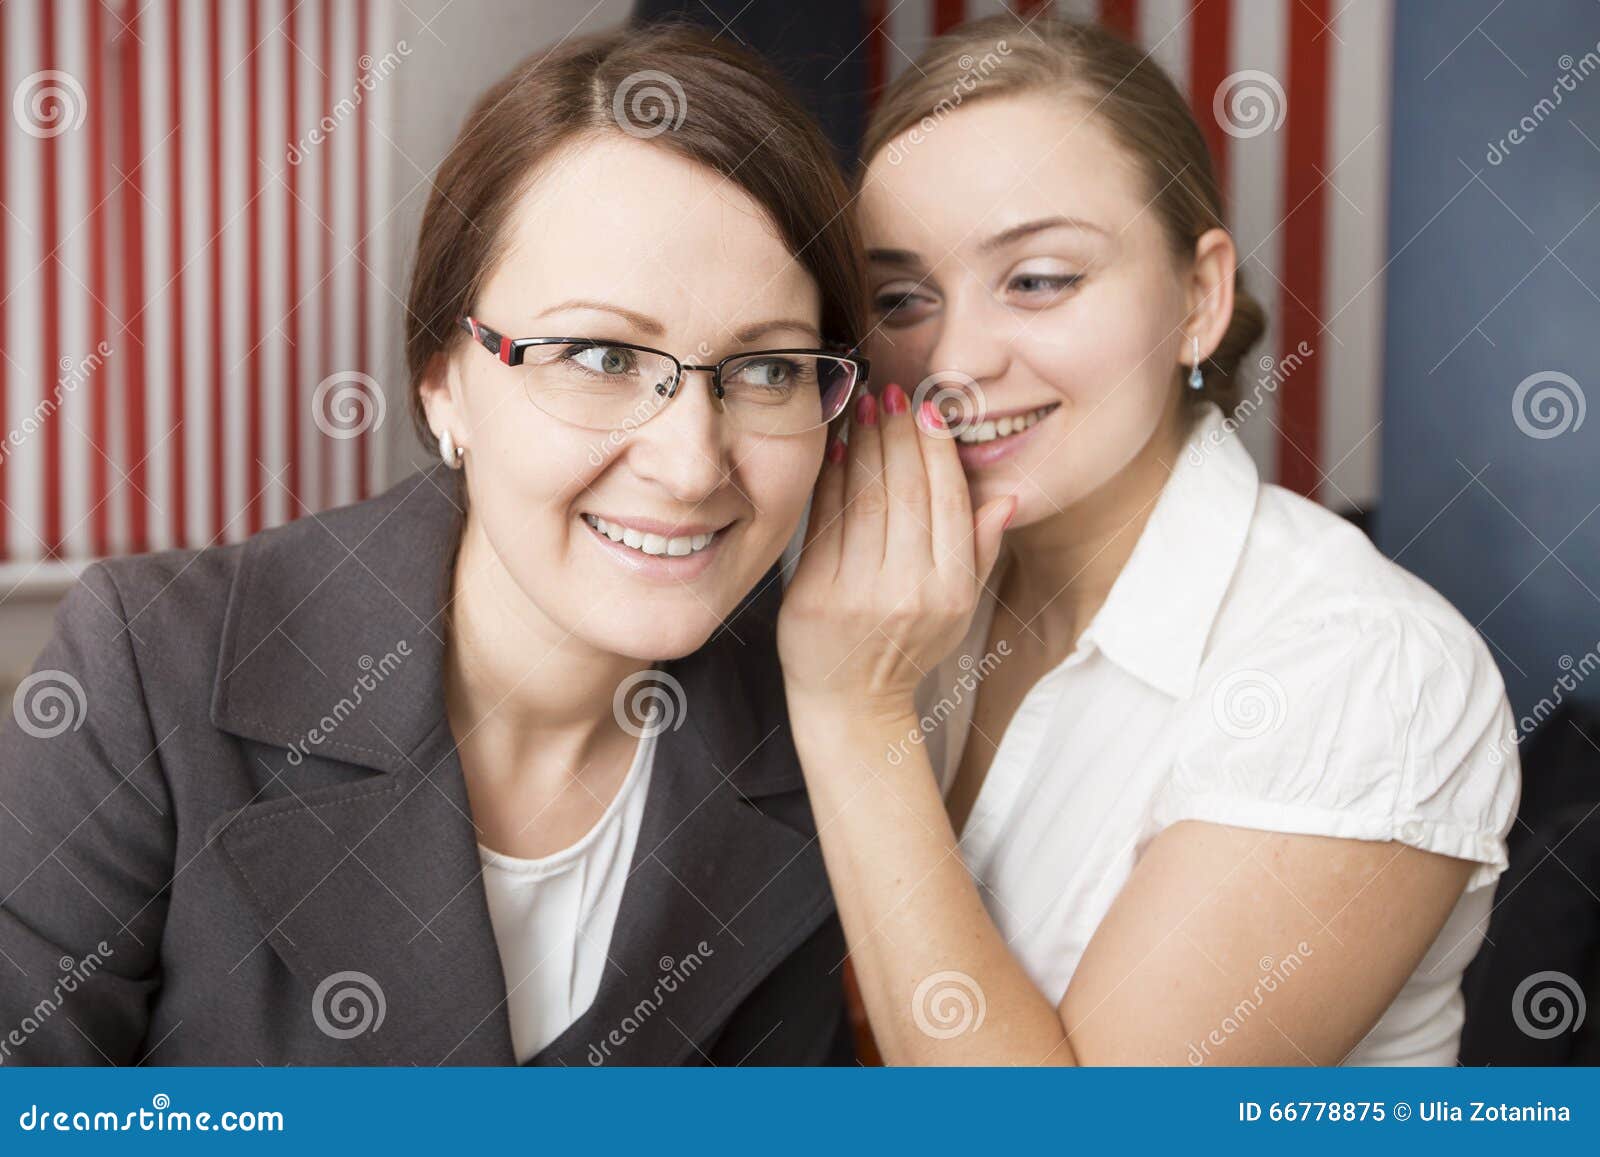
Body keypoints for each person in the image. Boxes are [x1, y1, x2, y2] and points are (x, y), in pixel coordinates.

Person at [0, 25, 868, 1066]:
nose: (690, 463)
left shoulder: (820, 734)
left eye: (769, 370)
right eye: (597, 354)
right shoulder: (152, 665)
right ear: (442, 382)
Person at [778, 16, 1521, 1065]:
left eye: (1038, 278)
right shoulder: (895, 587)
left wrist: (849, 711)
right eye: (902, 296)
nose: (954, 359)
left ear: (1199, 297)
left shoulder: (1364, 668)